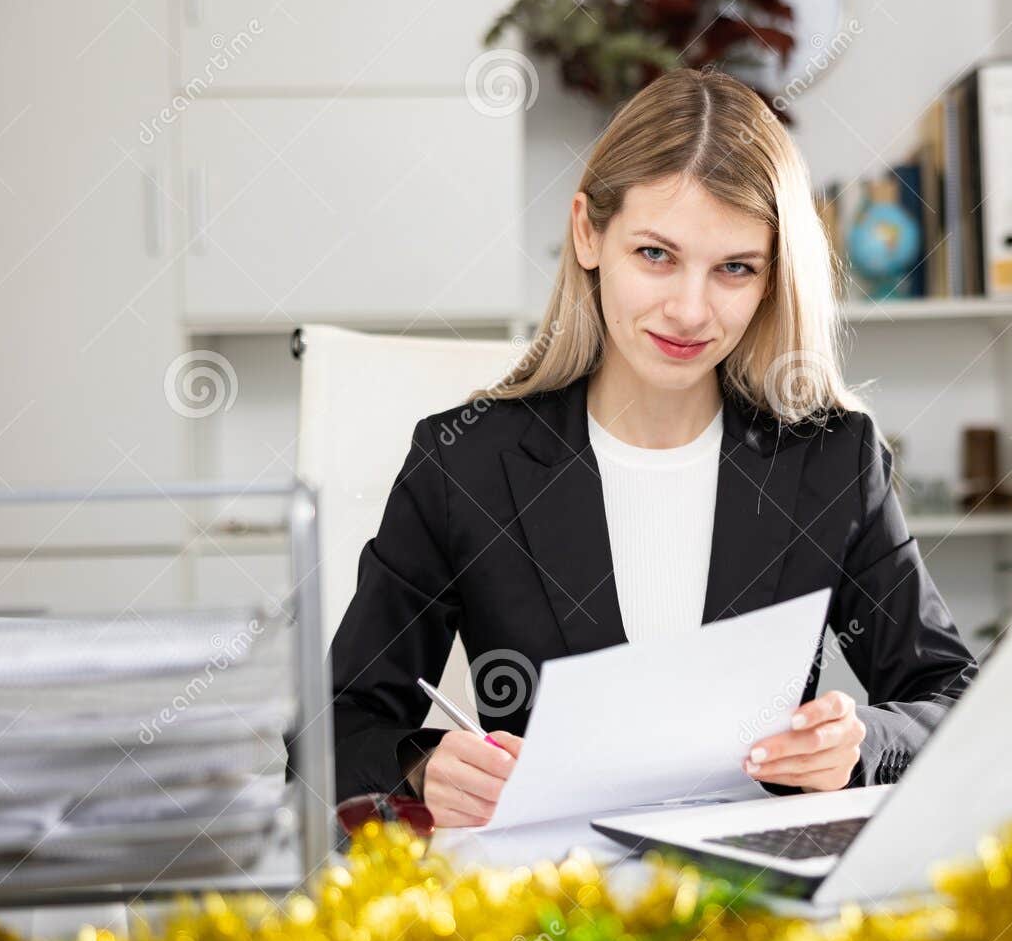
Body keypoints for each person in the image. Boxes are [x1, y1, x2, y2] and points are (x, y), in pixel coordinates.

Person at [330, 66, 977, 826]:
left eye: (735, 268)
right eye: (656, 256)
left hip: (758, 897)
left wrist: (860, 740)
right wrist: (424, 764)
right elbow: (336, 726)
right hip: (548, 906)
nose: (690, 310)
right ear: (588, 233)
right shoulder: (464, 464)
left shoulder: (830, 460)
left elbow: (950, 698)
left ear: (772, 280)